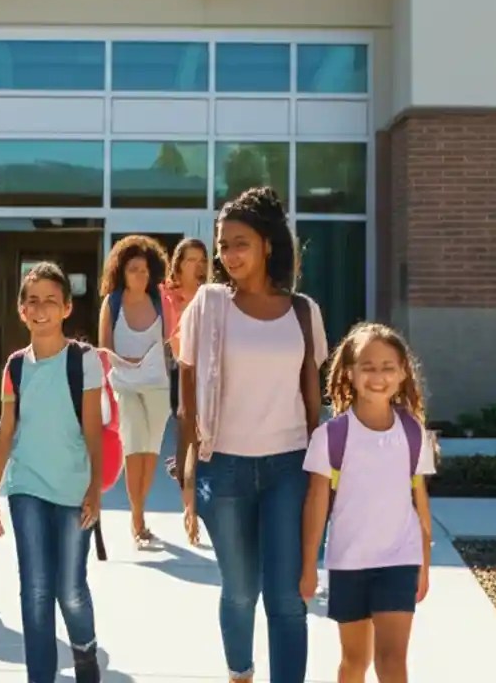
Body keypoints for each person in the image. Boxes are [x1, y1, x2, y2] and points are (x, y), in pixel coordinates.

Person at [175, 186, 327, 683]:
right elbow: (188, 398)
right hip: (225, 470)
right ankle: (240, 673)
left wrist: (322, 480)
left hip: (289, 467)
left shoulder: (303, 311)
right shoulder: (209, 305)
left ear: (266, 244)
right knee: (240, 590)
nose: (228, 254)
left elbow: (313, 406)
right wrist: (187, 476)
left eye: (239, 242)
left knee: (286, 596)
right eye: (222, 244)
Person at [0, 261, 104, 683]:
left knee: (69, 590)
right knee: (35, 590)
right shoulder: (15, 367)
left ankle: (86, 655)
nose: (41, 309)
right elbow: (4, 432)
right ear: (21, 309)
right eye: (32, 301)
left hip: (74, 488)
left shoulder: (84, 361)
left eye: (51, 301)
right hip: (27, 487)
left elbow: (94, 430)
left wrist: (96, 487)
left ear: (67, 308)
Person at [300, 323, 435, 683]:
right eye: (368, 366)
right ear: (349, 372)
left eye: (388, 367)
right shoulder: (332, 436)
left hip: (399, 560)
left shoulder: (413, 433)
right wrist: (310, 565)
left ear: (403, 372)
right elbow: (316, 503)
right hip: (350, 562)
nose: (379, 376)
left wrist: (424, 561)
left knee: (392, 663)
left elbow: (419, 500)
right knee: (354, 662)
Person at [97, 235, 171, 550]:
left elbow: (171, 342)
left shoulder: (160, 300)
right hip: (124, 383)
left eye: (144, 269)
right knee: (134, 447)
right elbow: (104, 346)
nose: (140, 275)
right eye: (133, 269)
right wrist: (122, 361)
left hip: (156, 384)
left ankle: (139, 515)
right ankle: (137, 519)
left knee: (150, 450)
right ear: (122, 272)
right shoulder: (112, 302)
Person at [160, 237, 210, 546]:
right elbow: (171, 339)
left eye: (203, 260)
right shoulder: (168, 298)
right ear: (178, 266)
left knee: (206, 445)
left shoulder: (214, 297)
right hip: (185, 375)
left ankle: (198, 504)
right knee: (187, 441)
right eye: (192, 260)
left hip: (213, 376)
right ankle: (189, 509)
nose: (199, 266)